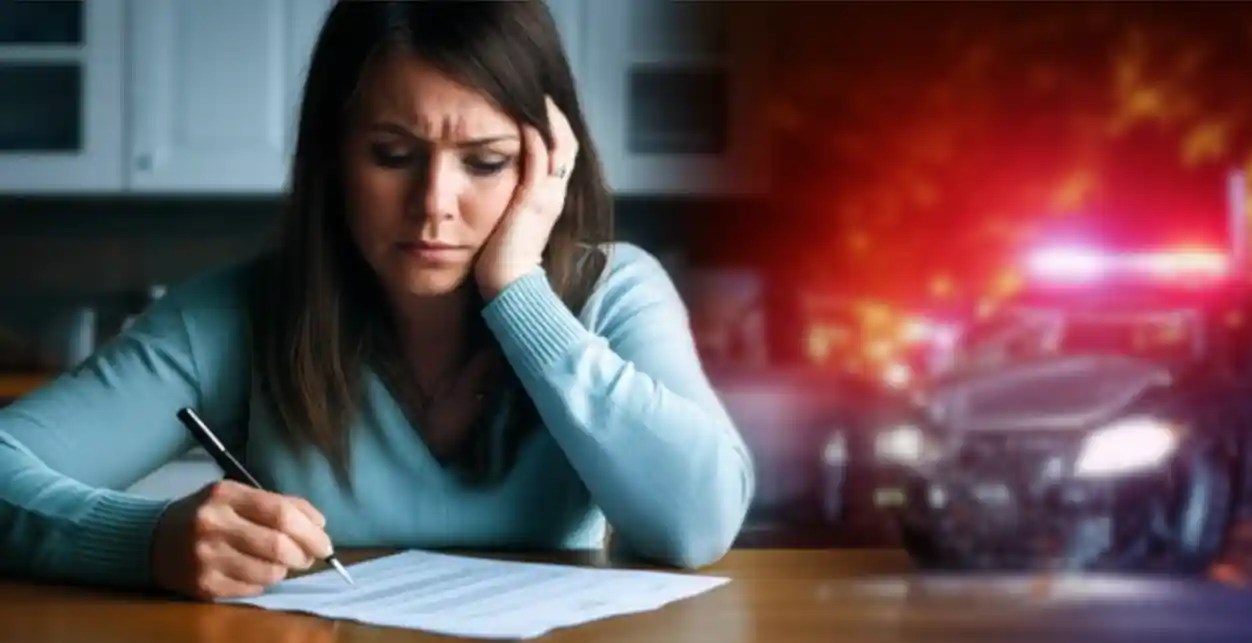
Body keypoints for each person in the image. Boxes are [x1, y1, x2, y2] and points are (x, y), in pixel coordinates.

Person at [0, 0, 754, 600]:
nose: (435, 204)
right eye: (393, 156)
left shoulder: (612, 291)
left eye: (486, 163)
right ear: (333, 157)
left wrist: (519, 291)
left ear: (548, 165)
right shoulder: (239, 315)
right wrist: (148, 541)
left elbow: (697, 523)